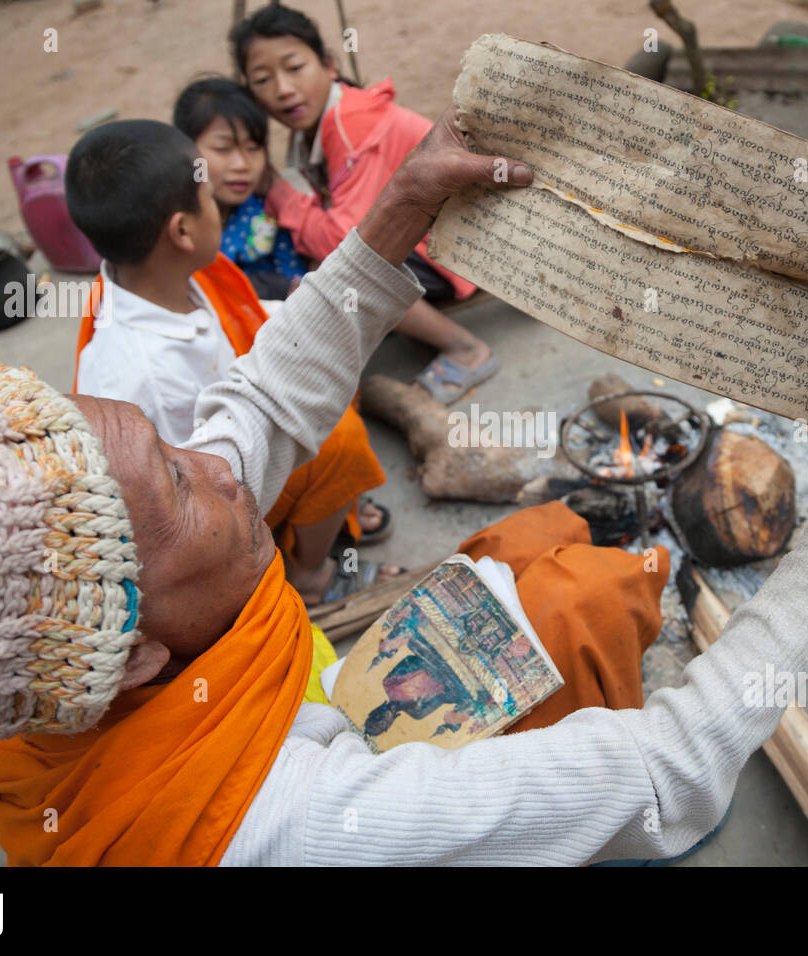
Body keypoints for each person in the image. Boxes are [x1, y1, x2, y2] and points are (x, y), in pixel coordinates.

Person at [0, 108, 808, 865]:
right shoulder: (290, 832)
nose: (220, 459)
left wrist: (393, 222)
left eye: (170, 440)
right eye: (185, 484)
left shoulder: (49, 653)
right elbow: (670, 760)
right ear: (139, 652)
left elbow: (259, 411)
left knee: (534, 542)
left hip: (311, 709)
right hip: (336, 772)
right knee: (609, 692)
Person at [70, 118, 398, 606]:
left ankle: (315, 515)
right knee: (340, 439)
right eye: (207, 195)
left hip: (231, 451)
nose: (220, 202)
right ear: (181, 231)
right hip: (202, 506)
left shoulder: (173, 279)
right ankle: (307, 573)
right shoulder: (143, 374)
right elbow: (187, 499)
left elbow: (238, 326)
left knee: (326, 384)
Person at [232, 1, 499, 404]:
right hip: (437, 239)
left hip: (464, 252)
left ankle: (467, 349)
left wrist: (277, 190)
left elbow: (342, 239)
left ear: (328, 65)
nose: (283, 89)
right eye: (263, 79)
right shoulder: (320, 123)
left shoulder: (348, 124)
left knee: (345, 270)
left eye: (294, 67)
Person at [173, 75, 307, 301]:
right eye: (223, 148)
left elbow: (299, 292)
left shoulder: (271, 213)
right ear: (184, 149)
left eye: (253, 148)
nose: (242, 165)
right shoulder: (173, 223)